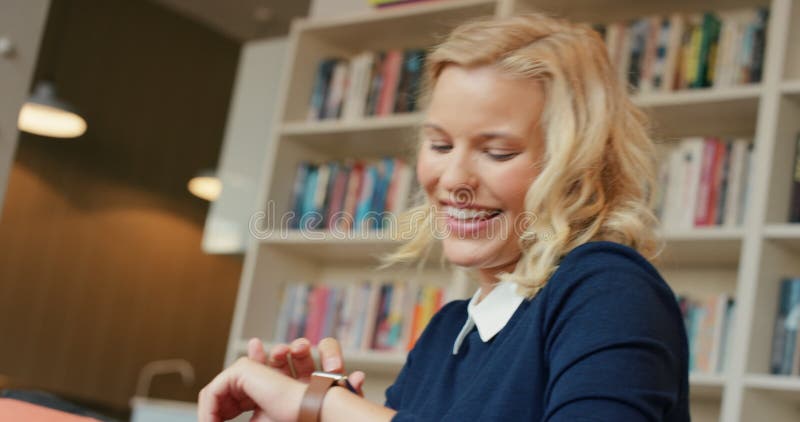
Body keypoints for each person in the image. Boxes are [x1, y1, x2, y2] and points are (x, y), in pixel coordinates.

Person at [198, 11, 690, 422]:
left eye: (496, 152)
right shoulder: (447, 331)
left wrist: (326, 406)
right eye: (439, 144)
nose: (453, 178)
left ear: (578, 165)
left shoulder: (607, 288)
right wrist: (313, 413)